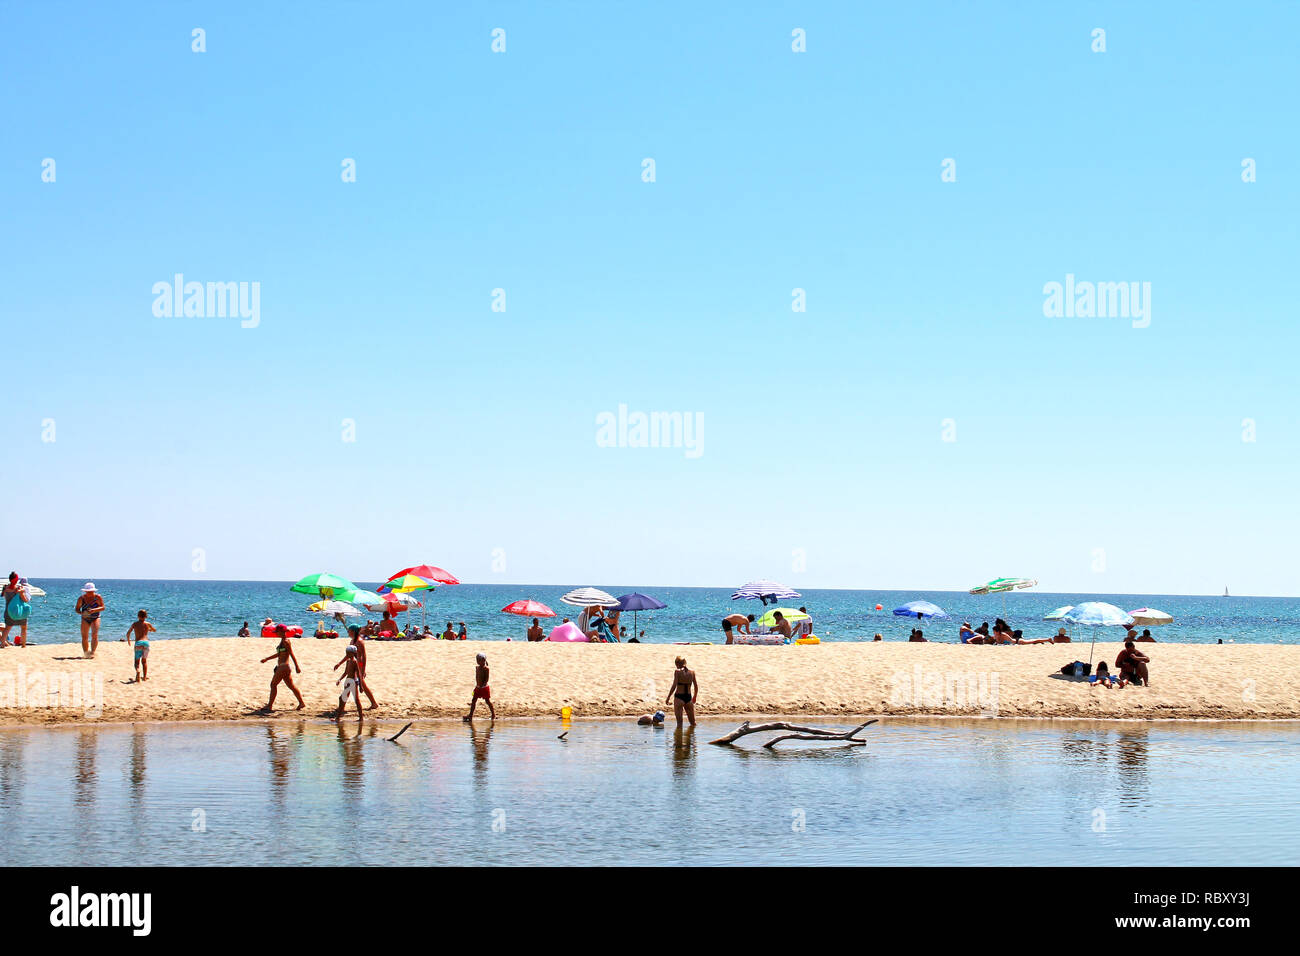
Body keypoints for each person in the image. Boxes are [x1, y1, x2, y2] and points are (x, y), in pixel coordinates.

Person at [260, 626, 305, 711]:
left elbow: (291, 654)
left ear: (281, 632)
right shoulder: (282, 641)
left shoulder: (286, 641)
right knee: (291, 686)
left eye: (277, 632)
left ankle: (269, 705)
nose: (276, 633)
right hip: (283, 667)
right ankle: (301, 703)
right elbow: (279, 654)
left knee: (273, 684)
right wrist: (267, 659)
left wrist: (297, 666)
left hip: (283, 666)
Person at [336, 625, 378, 709]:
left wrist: (362, 670)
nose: (348, 632)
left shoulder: (359, 642)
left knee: (354, 685)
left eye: (349, 631)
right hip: (352, 665)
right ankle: (373, 703)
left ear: (353, 632)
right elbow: (348, 655)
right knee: (353, 685)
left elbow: (363, 657)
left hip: (358, 666)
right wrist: (340, 663)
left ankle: (342, 706)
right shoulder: (352, 641)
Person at [334, 645, 364, 722]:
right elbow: (346, 672)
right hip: (348, 681)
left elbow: (359, 673)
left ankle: (361, 718)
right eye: (346, 653)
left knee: (355, 699)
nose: (347, 654)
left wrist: (361, 686)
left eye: (348, 653)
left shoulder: (354, 662)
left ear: (353, 653)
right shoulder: (348, 661)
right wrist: (340, 679)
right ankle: (338, 717)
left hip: (353, 682)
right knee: (342, 698)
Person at [2, 572, 32, 648]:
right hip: (19, 611)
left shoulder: (5, 588)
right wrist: (22, 592)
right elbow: (25, 600)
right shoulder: (18, 589)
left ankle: (2, 644)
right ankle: (23, 645)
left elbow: (3, 596)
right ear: (15, 579)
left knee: (7, 628)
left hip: (9, 611)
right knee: (23, 627)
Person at [75, 582, 105, 659]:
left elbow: (102, 607)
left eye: (91, 591)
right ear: (85, 591)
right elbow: (77, 609)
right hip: (85, 618)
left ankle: (92, 652)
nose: (90, 593)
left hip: (95, 617)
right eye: (88, 592)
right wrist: (82, 613)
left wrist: (93, 610)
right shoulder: (81, 598)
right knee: (84, 636)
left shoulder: (98, 597)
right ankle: (86, 653)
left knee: (94, 634)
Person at [666, 656, 697, 728]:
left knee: (679, 724)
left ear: (677, 664)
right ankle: (692, 738)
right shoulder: (692, 672)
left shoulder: (677, 672)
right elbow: (696, 686)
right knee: (693, 723)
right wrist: (695, 696)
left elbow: (674, 686)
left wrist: (668, 697)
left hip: (679, 697)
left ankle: (678, 739)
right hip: (689, 698)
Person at [463, 652, 495, 721]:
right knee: (473, 700)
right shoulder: (477, 668)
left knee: (487, 701)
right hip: (478, 687)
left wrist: (483, 685)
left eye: (479, 660)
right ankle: (470, 715)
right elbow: (477, 677)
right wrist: (477, 686)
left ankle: (493, 714)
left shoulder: (486, 669)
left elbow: (486, 679)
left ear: (483, 660)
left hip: (484, 688)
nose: (477, 662)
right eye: (477, 660)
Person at [126, 610, 155, 682]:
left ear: (138, 616)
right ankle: (144, 677)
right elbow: (154, 630)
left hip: (138, 643)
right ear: (146, 616)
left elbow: (128, 633)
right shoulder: (147, 624)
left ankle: (138, 671)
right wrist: (150, 629)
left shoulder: (135, 624)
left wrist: (129, 641)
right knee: (144, 661)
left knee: (137, 661)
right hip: (146, 642)